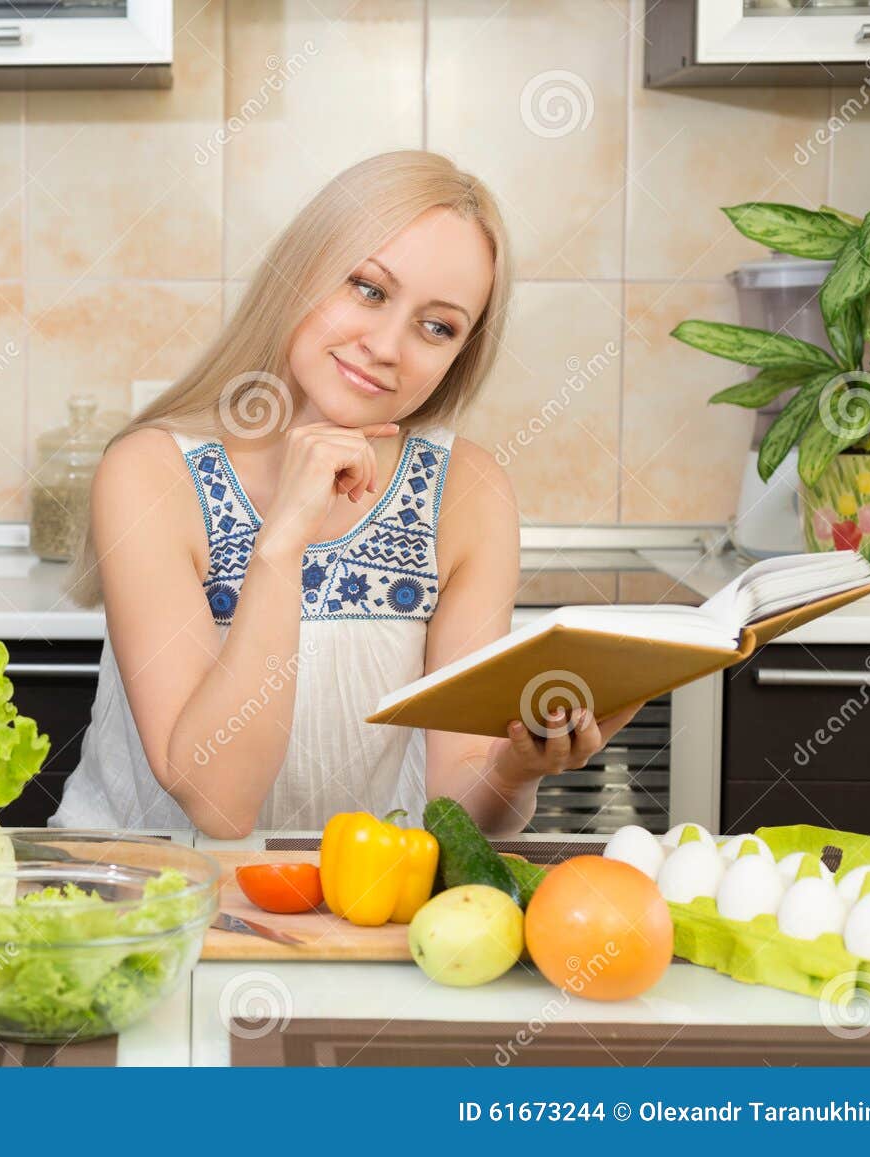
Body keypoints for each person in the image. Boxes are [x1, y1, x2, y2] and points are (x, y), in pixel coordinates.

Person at [51, 150, 642, 839]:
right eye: (368, 288)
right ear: (302, 269)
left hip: (347, 912)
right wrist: (282, 540)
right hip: (139, 905)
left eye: (437, 325)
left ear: (461, 353)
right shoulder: (152, 473)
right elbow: (218, 802)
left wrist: (516, 768)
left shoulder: (468, 493)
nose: (386, 345)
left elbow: (458, 807)